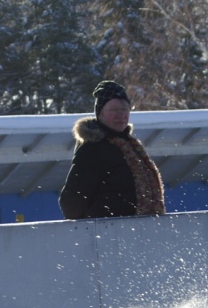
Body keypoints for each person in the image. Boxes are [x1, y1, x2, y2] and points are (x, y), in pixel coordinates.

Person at [59, 80, 167, 219]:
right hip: (107, 234)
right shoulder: (93, 149)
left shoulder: (132, 148)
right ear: (100, 114)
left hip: (137, 231)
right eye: (113, 110)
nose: (120, 115)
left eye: (124, 109)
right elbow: (72, 203)